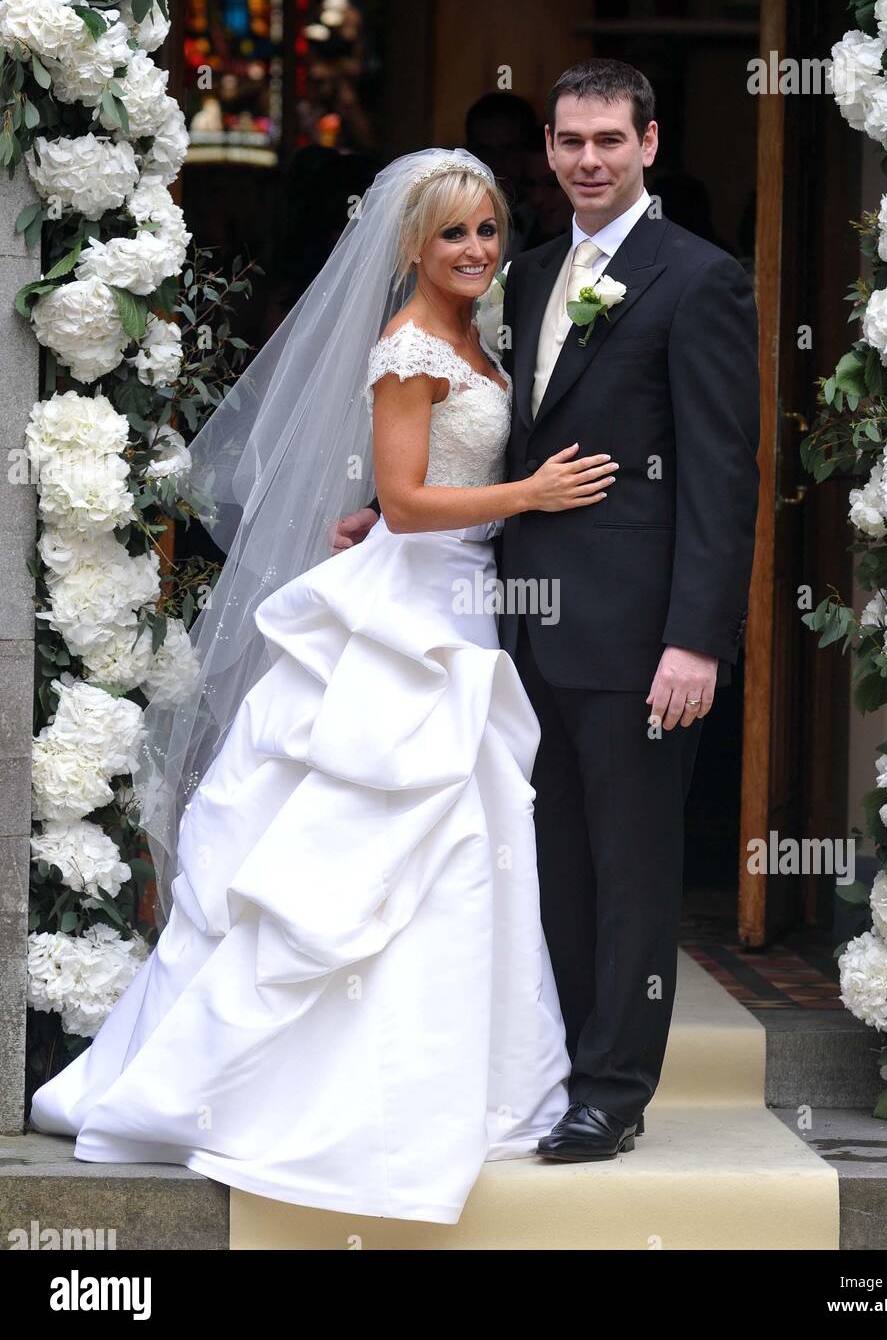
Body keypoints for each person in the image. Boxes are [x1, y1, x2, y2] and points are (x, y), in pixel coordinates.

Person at [28, 148, 617, 1225]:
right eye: (454, 234)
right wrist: (526, 492)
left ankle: (466, 1078)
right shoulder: (406, 349)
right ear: (409, 245)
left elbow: (413, 491)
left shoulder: (473, 339)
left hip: (462, 601)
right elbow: (399, 494)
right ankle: (300, 1091)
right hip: (413, 610)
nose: (478, 250)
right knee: (374, 830)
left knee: (461, 836)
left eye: (488, 229)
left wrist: (475, 504)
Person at [333, 60, 761, 1161]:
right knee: (552, 862)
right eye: (569, 141)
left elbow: (722, 476)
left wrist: (694, 640)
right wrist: (385, 518)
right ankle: (563, 1061)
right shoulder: (520, 277)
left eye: (608, 141)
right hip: (513, 630)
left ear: (649, 145)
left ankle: (613, 1093)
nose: (586, 160)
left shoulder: (698, 279)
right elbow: (480, 438)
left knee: (630, 866)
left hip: (635, 638)